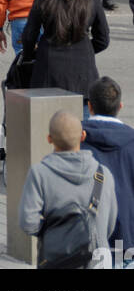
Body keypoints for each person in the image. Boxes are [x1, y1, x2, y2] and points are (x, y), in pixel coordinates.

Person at [19, 110, 117, 270]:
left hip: (57, 259)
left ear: (49, 139)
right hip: (98, 260)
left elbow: (27, 222)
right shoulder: (103, 173)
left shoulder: (40, 173)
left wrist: (55, 230)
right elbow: (110, 224)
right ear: (83, 136)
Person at [22, 0, 110, 98]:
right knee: (82, 119)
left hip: (49, 67)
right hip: (83, 72)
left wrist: (30, 55)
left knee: (47, 119)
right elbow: (103, 38)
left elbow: (30, 34)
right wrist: (86, 50)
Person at [83, 77, 134, 263]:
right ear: (120, 106)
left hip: (89, 240)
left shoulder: (75, 139)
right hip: (128, 238)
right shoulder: (131, 140)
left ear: (89, 106)